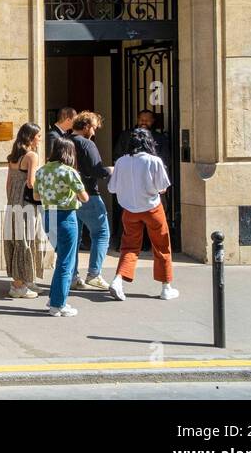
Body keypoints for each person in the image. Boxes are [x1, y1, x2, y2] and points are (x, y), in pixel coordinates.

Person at [107, 128, 179, 301]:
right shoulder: (154, 161)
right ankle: (165, 286)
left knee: (129, 247)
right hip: (152, 208)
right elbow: (162, 187)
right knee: (161, 246)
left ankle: (118, 280)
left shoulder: (121, 162)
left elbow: (112, 188)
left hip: (129, 210)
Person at [34, 137, 90, 317]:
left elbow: (36, 196)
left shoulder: (41, 171)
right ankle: (58, 304)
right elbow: (84, 197)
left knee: (61, 258)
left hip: (48, 215)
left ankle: (55, 297)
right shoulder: (69, 172)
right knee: (67, 261)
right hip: (66, 216)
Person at [68, 111, 112, 292]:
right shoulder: (87, 144)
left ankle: (72, 277)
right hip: (88, 195)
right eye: (93, 128)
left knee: (74, 239)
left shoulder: (63, 141)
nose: (94, 132)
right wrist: (109, 170)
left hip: (67, 197)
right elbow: (96, 170)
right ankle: (94, 274)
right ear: (86, 126)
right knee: (102, 233)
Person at [3, 122, 44, 299]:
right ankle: (18, 286)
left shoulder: (13, 157)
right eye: (39, 136)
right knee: (26, 241)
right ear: (31, 137)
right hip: (27, 205)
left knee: (18, 240)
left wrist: (12, 201)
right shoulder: (31, 156)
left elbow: (9, 183)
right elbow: (31, 183)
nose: (40, 139)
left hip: (13, 204)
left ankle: (25, 280)